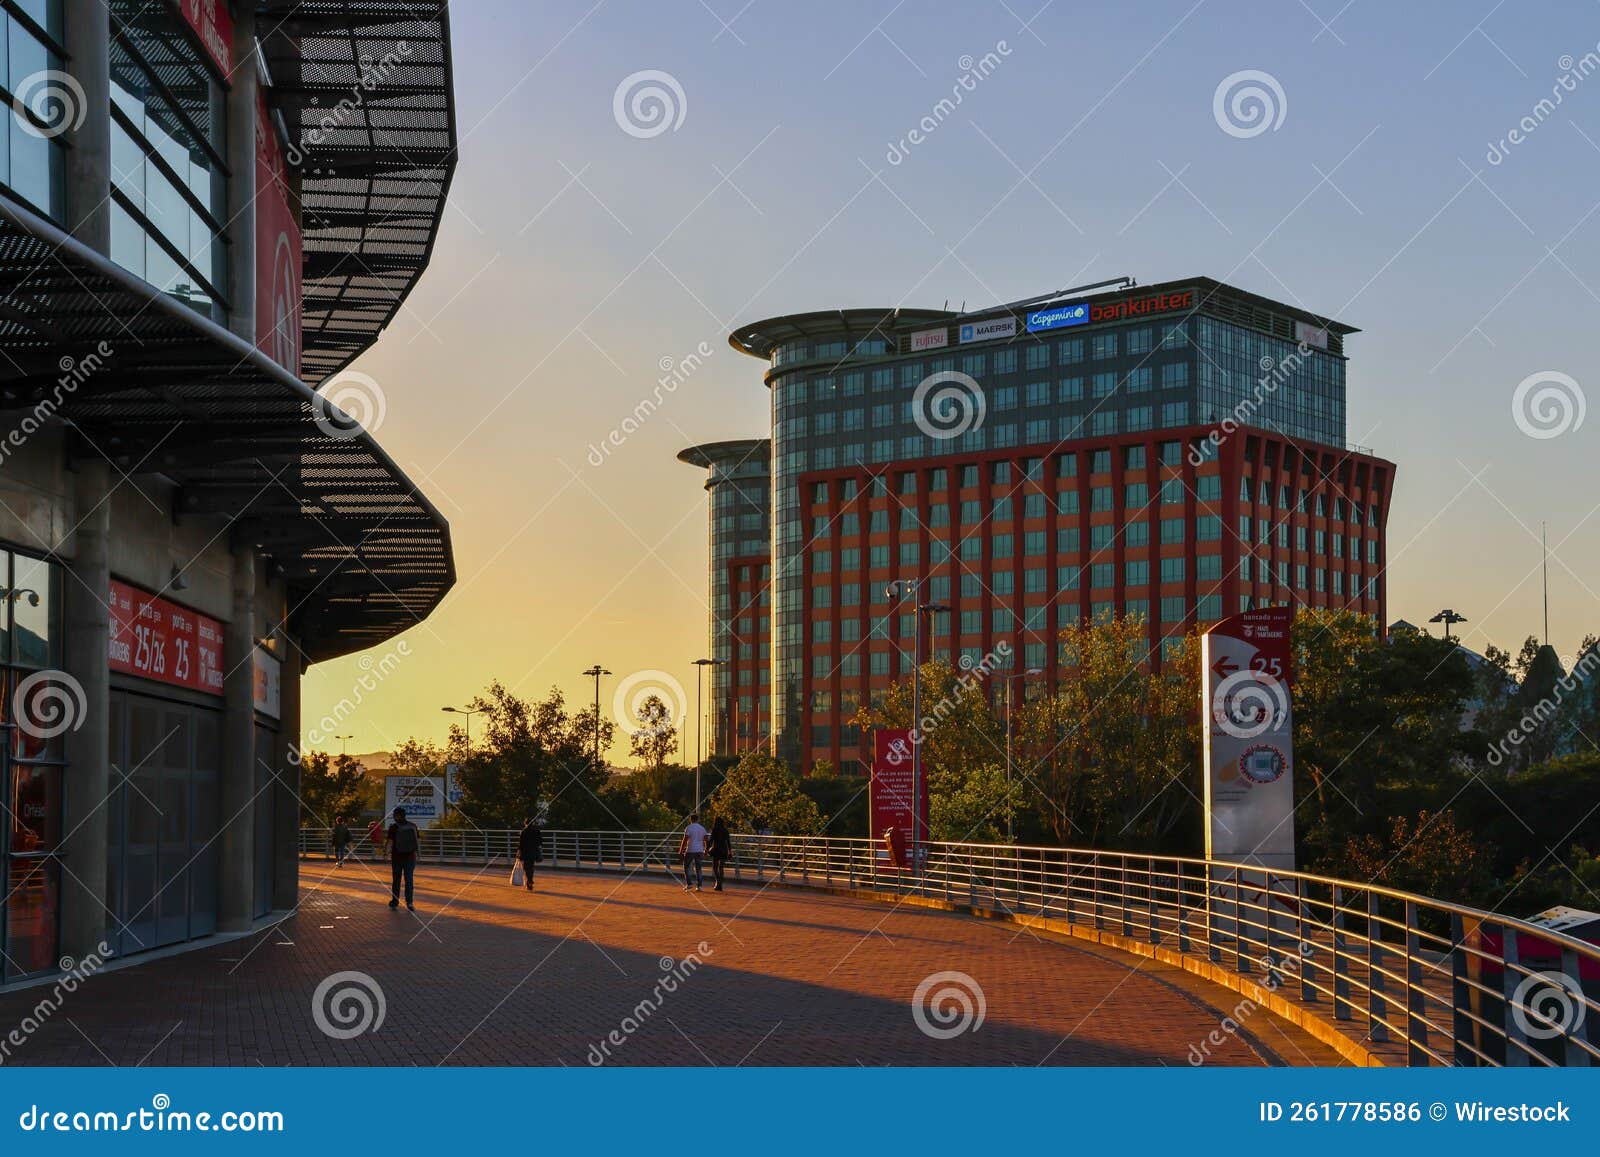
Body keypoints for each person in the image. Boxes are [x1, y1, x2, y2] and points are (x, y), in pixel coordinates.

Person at [387, 806, 420, 910]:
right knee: (409, 879)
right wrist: (418, 854)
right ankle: (409, 902)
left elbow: (390, 842)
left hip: (397, 857)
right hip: (410, 857)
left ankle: (395, 901)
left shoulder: (393, 827)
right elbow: (417, 841)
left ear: (396, 816)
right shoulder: (413, 826)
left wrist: (386, 853)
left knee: (396, 880)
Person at [679, 813, 708, 892]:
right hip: (699, 850)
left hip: (690, 850)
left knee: (686, 866)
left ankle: (689, 884)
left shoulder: (689, 828)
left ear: (690, 820)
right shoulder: (702, 828)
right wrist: (706, 850)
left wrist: (681, 850)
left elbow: (685, 840)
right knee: (699, 868)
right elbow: (706, 840)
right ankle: (699, 886)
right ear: (698, 819)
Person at [517, 817, 542, 891]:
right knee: (531, 866)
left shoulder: (524, 831)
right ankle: (529, 881)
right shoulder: (537, 831)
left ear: (525, 823)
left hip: (525, 852)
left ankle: (529, 881)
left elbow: (521, 844)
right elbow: (540, 842)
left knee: (526, 867)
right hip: (534, 851)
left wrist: (519, 852)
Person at [708, 817, 732, 892]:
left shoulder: (714, 830)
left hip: (716, 850)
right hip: (724, 850)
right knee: (721, 867)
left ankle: (718, 882)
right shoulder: (725, 830)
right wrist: (730, 851)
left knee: (715, 867)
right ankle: (720, 884)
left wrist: (707, 849)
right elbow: (728, 841)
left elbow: (711, 840)